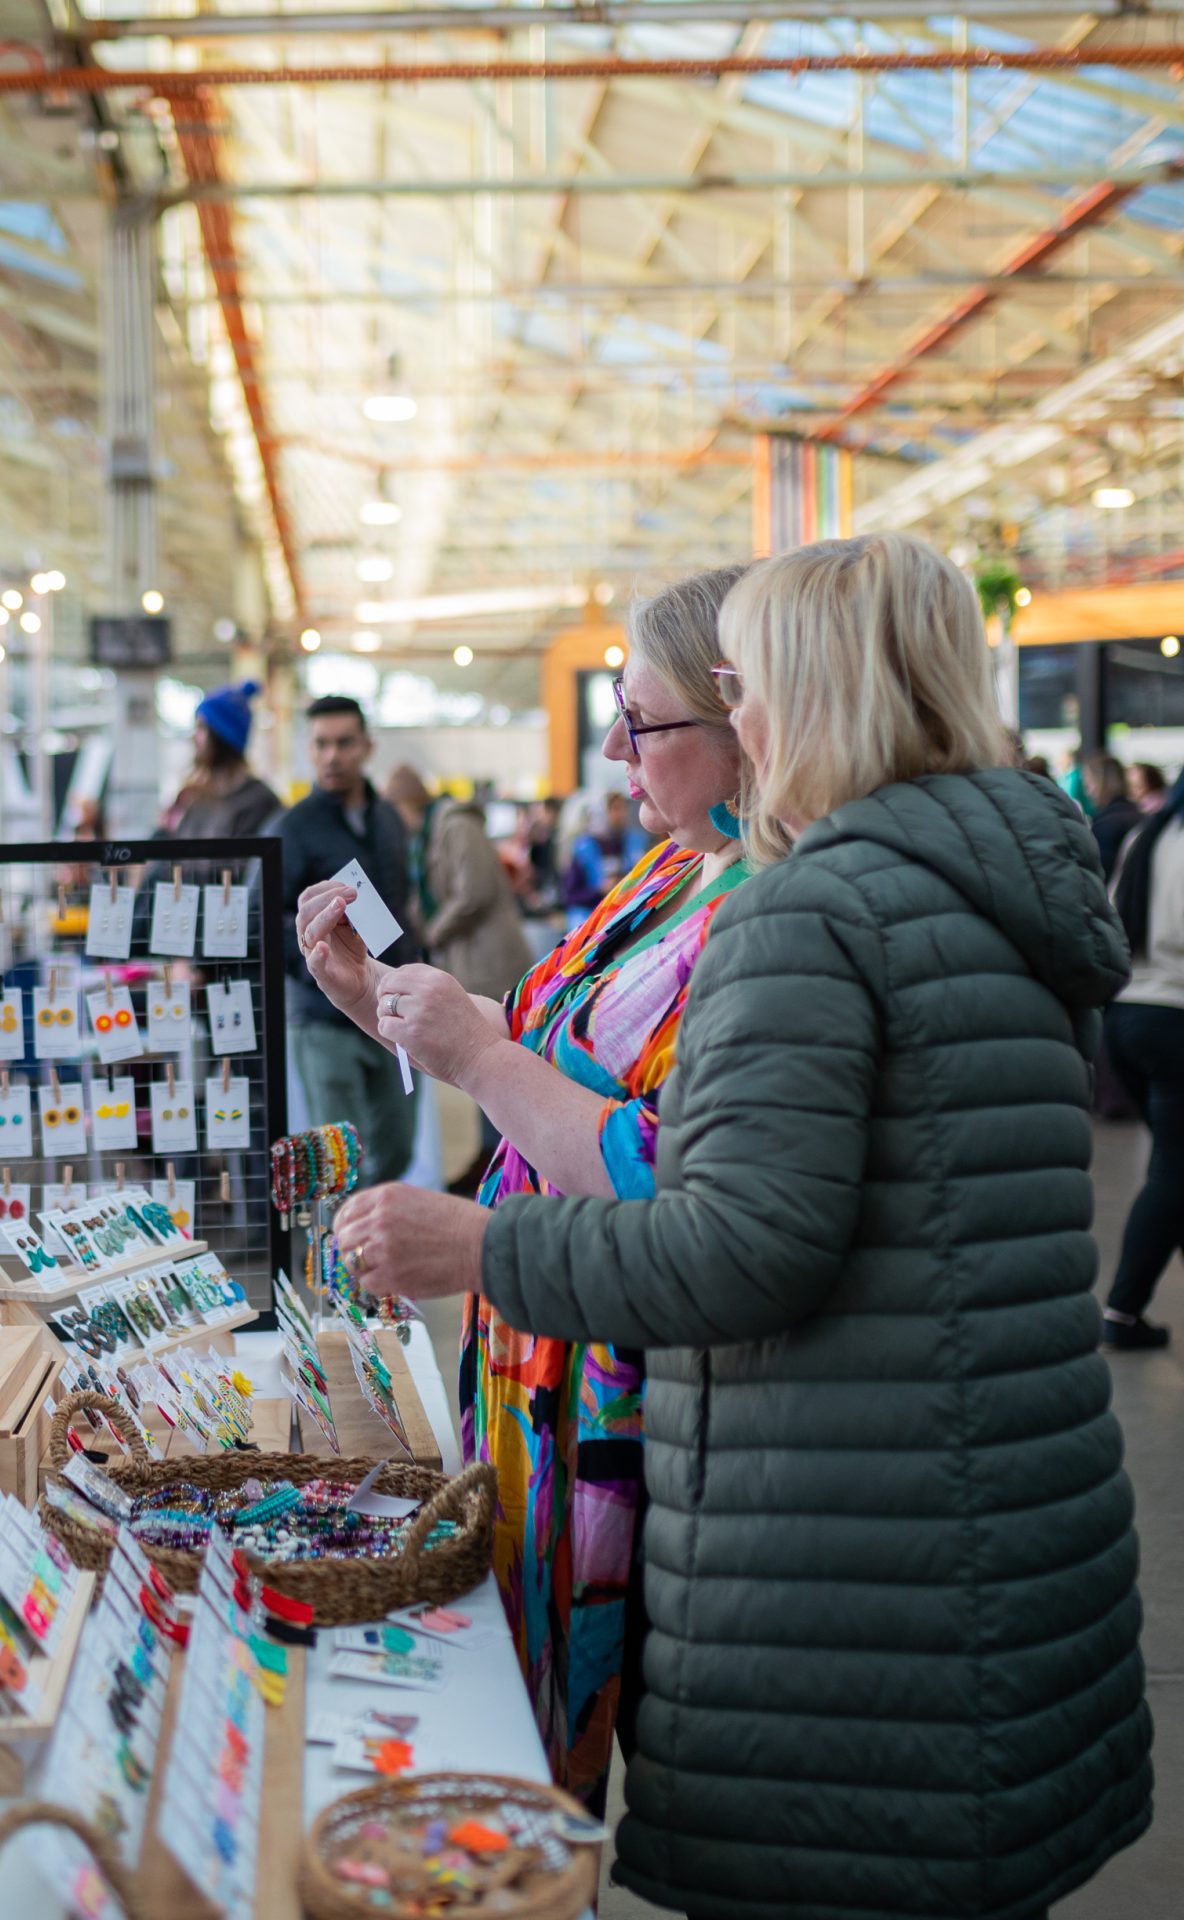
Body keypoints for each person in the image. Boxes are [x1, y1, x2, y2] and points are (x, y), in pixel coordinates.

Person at [334, 532, 1152, 1919]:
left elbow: (739, 1245)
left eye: (739, 681)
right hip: (989, 1538)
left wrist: (481, 1250)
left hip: (842, 1561)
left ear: (806, 692)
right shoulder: (984, 896)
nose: (737, 714)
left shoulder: (809, 913)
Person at [297, 568, 752, 1805]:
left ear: (744, 716)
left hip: (618, 1386)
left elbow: (666, 1167)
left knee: (565, 1747)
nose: (614, 748)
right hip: (538, 1365)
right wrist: (380, 1004)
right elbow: (556, 1050)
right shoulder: (676, 874)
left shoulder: (768, 914)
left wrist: (478, 1075)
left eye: (642, 721)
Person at [280, 694, 419, 1187]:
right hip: (324, 1019)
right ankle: (346, 1259)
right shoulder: (293, 828)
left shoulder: (388, 822)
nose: (332, 755)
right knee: (341, 1164)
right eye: (320, 744)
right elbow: (269, 920)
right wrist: (318, 967)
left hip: (392, 1007)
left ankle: (377, 1245)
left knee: (398, 1145)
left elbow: (402, 903)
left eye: (343, 743)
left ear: (367, 746)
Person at [1100, 779, 1184, 1349]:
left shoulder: (1148, 836)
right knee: (1174, 1175)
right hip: (1178, 1016)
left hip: (1128, 1016)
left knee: (1180, 1169)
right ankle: (1123, 1311)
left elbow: (1108, 922)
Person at [381, 767, 533, 1003]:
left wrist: (432, 933)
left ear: (406, 804)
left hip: (490, 961)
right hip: (467, 960)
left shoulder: (457, 825)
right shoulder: (424, 838)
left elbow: (474, 893)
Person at [160, 682, 282, 839]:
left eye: (202, 728)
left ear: (223, 736)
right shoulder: (197, 799)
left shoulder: (259, 803)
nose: (193, 737)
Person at [561, 789, 650, 925]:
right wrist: (599, 891)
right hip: (590, 918)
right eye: (614, 809)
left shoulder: (635, 841)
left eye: (622, 808)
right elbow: (571, 896)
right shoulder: (583, 849)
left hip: (626, 914)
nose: (620, 815)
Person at [1086, 752, 1145, 878]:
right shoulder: (1140, 816)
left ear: (1100, 782)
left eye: (1089, 783)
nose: (1087, 791)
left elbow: (1101, 874)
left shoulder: (1105, 825)